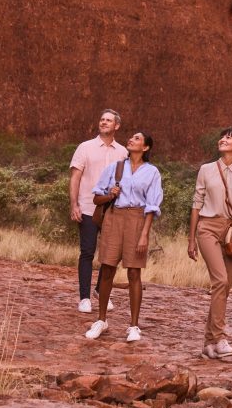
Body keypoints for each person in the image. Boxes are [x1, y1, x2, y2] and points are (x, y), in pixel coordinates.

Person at [84, 131, 163, 342]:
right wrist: (111, 194)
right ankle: (101, 320)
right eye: (131, 138)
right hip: (114, 218)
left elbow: (152, 206)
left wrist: (144, 235)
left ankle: (134, 326)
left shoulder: (152, 172)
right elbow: (97, 198)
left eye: (137, 139)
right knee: (107, 268)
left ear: (145, 147)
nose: (131, 140)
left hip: (137, 220)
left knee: (134, 273)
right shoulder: (115, 168)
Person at [187, 128, 232, 359]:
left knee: (224, 288)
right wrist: (191, 239)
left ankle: (208, 344)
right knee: (220, 280)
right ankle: (219, 338)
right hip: (207, 227)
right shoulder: (206, 169)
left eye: (229, 138)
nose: (223, 140)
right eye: (222, 137)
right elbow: (197, 203)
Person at [69, 109, 127, 313]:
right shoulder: (85, 147)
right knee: (87, 252)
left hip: (113, 209)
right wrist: (74, 204)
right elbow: (75, 177)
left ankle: (101, 291)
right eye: (102, 119)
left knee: (110, 255)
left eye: (108, 120)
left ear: (116, 126)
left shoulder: (122, 152)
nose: (104, 122)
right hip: (87, 206)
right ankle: (84, 297)